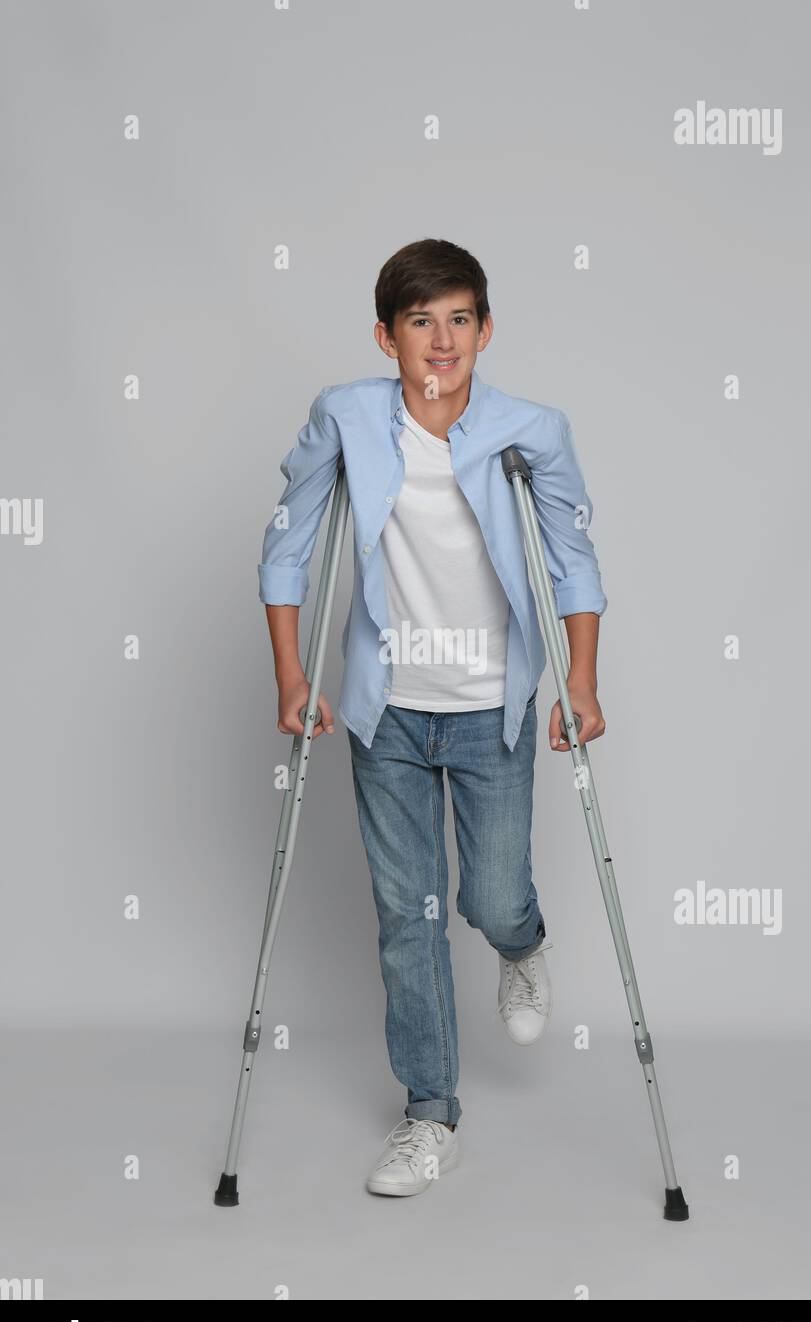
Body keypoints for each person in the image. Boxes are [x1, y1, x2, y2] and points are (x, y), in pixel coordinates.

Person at [258, 238, 607, 1197]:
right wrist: (292, 676)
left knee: (491, 898)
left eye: (459, 320)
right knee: (406, 922)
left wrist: (579, 680)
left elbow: (573, 562)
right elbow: (290, 545)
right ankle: (429, 1113)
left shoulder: (532, 429)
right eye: (420, 322)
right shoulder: (348, 417)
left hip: (491, 706)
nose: (441, 341)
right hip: (389, 715)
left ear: (485, 331)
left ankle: (522, 945)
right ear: (387, 336)